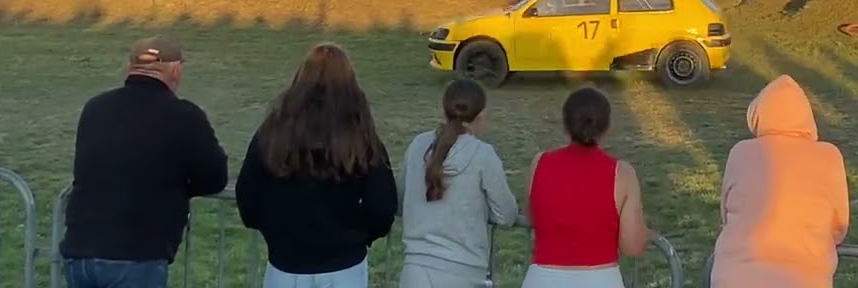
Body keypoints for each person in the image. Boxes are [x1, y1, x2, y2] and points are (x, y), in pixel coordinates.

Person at [59, 36, 228, 288]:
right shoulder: (183, 115)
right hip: (136, 255)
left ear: (131, 67)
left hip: (79, 251)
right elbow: (214, 178)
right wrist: (179, 186)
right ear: (176, 71)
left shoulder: (95, 108)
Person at [234, 43, 398, 288]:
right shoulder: (361, 138)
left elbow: (248, 195)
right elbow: (382, 206)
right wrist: (358, 235)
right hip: (343, 268)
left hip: (286, 265)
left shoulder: (272, 133)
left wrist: (274, 231)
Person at [710, 75, 850, 288]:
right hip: (805, 280)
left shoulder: (740, 153)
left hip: (734, 279)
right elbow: (840, 225)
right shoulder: (830, 157)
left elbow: (726, 214)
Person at [522, 86, 649, 288]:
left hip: (543, 278)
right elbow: (632, 246)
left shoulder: (540, 163)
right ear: (606, 127)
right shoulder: (622, 174)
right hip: (600, 279)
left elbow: (533, 217)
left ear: (565, 124)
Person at [399, 79, 518, 288]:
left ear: (442, 110)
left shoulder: (418, 145)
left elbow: (400, 200)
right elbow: (506, 215)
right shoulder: (483, 155)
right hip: (464, 270)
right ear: (481, 115)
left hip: (415, 270)